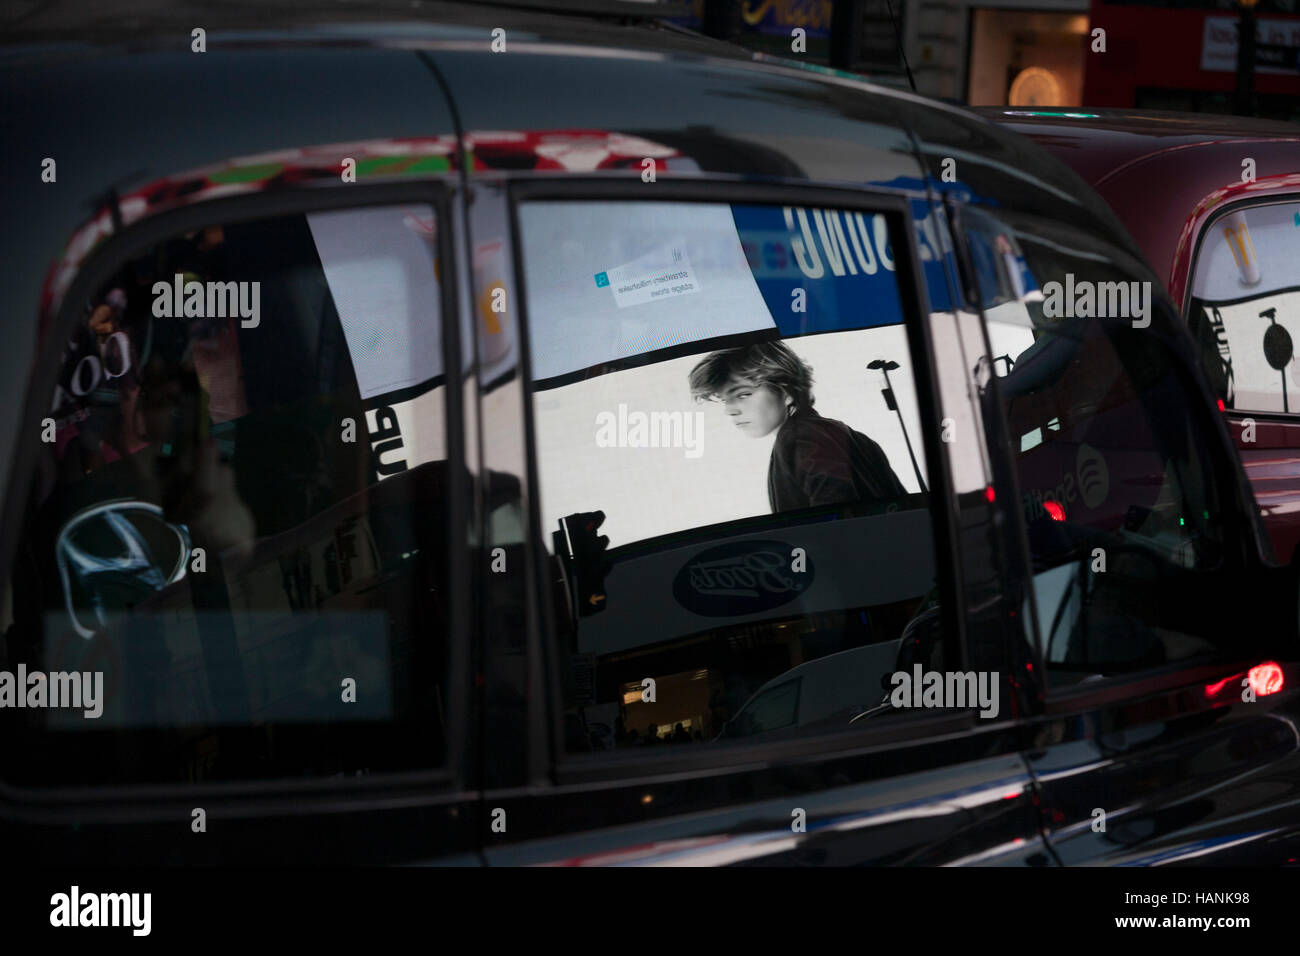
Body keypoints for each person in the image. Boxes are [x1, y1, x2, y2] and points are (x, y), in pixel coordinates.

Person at [688, 340, 907, 512]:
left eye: (743, 394)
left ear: (787, 392)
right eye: (725, 399)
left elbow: (834, 519)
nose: (730, 409)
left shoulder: (800, 436)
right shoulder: (847, 435)